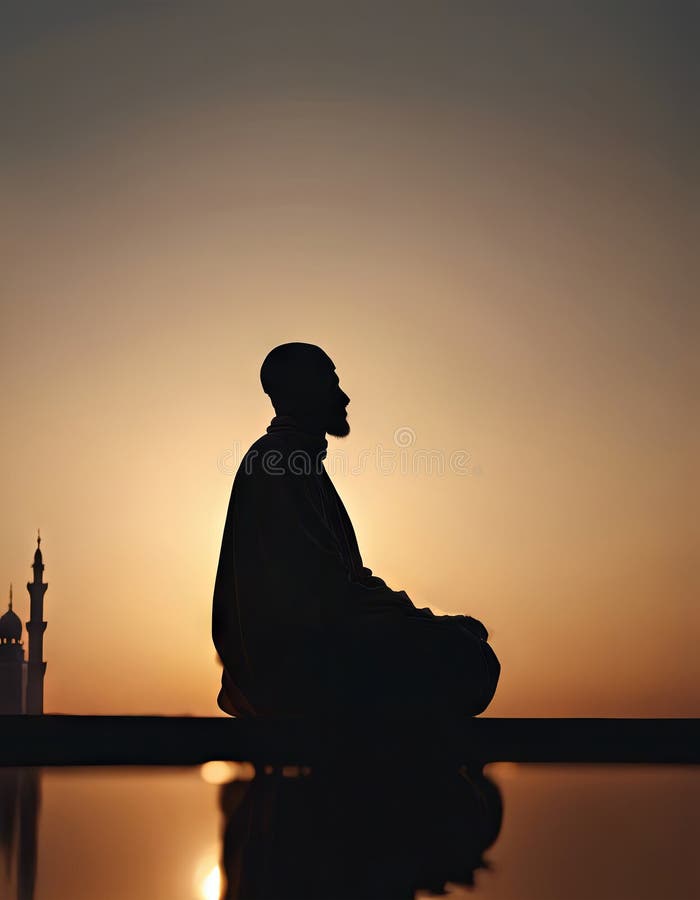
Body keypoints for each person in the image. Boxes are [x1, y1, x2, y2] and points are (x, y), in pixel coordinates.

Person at [212, 342, 500, 718]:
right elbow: (323, 598)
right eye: (332, 383)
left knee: (466, 646)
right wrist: (429, 626)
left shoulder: (300, 464)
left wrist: (424, 619)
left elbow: (348, 581)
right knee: (465, 655)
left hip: (318, 648)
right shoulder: (277, 461)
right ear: (304, 389)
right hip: (297, 666)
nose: (344, 397)